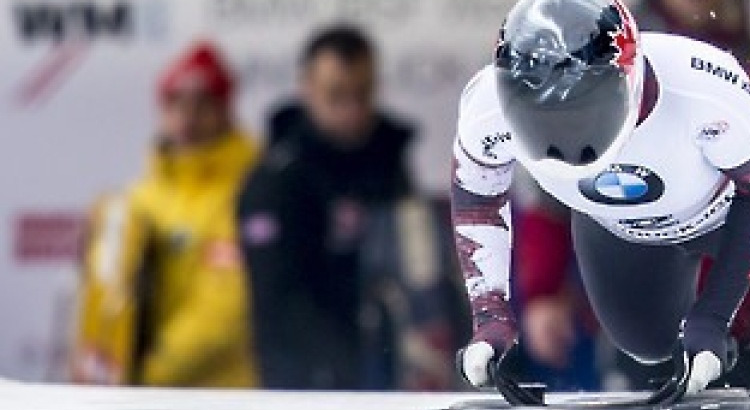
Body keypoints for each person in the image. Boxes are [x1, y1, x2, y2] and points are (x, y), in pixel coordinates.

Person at [452, 0, 750, 395]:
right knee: (646, 345)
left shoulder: (702, 89)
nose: (566, 142)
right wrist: (490, 320)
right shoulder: (484, 109)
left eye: (581, 114)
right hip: (619, 221)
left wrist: (714, 317)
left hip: (735, 202)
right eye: (541, 120)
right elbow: (479, 200)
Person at [238, 25, 460, 390]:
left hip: (397, 377)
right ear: (306, 87)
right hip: (308, 388)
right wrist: (344, 370)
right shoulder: (276, 182)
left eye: (363, 93)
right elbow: (280, 304)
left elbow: (418, 273)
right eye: (336, 95)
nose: (352, 110)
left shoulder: (390, 161)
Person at [72, 41, 258, 387]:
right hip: (142, 396)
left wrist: (152, 371)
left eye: (203, 104)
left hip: (221, 398)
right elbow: (108, 297)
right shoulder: (137, 199)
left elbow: (226, 309)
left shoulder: (247, 194)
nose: (188, 117)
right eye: (176, 103)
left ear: (226, 110)